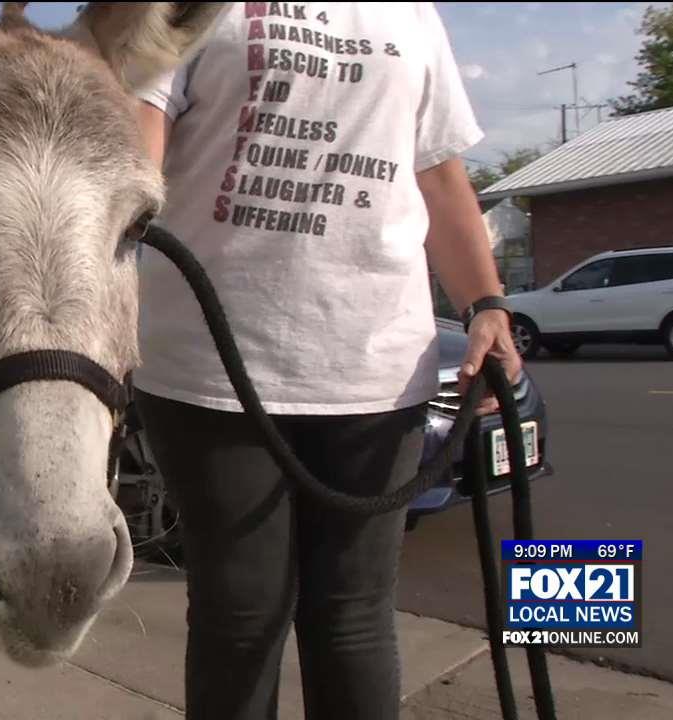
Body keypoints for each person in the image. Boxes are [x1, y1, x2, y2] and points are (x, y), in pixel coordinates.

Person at [131, 3, 521, 719]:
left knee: (353, 613)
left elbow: (438, 174)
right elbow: (133, 150)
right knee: (240, 611)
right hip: (212, 366)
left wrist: (485, 304)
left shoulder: (411, 14)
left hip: (377, 368)